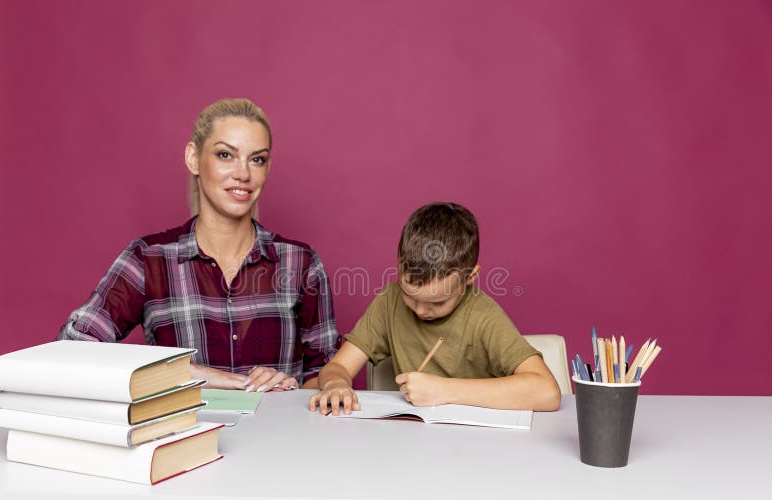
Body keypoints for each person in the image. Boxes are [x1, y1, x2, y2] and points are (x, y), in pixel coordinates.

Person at [58, 98, 339, 392]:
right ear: (194, 158)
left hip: (278, 423)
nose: (243, 174)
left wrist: (290, 391)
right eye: (225, 155)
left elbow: (328, 375)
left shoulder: (300, 262)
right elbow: (70, 350)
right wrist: (191, 373)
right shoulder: (149, 260)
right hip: (182, 423)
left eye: (257, 159)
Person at [308, 202, 560, 415]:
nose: (420, 311)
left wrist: (444, 391)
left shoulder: (483, 316)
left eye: (438, 302)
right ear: (398, 264)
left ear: (470, 277)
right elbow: (338, 367)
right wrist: (335, 384)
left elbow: (547, 392)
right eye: (409, 295)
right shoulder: (389, 301)